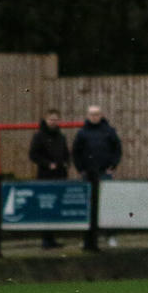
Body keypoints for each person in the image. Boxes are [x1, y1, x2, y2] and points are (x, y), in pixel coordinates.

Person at [28, 108, 71, 248]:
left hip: (60, 175)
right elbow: (33, 155)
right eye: (51, 119)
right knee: (46, 206)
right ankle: (46, 239)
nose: (53, 122)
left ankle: (52, 238)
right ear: (46, 120)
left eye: (55, 119)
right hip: (45, 176)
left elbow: (66, 153)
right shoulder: (39, 136)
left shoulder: (61, 136)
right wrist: (47, 164)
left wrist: (66, 163)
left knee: (55, 207)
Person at [72, 104, 122, 181]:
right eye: (91, 114)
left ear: (101, 115)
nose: (94, 117)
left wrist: (113, 166)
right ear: (88, 116)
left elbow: (117, 149)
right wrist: (80, 169)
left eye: (96, 114)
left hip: (105, 172)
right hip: (87, 173)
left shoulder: (109, 131)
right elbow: (76, 152)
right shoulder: (82, 133)